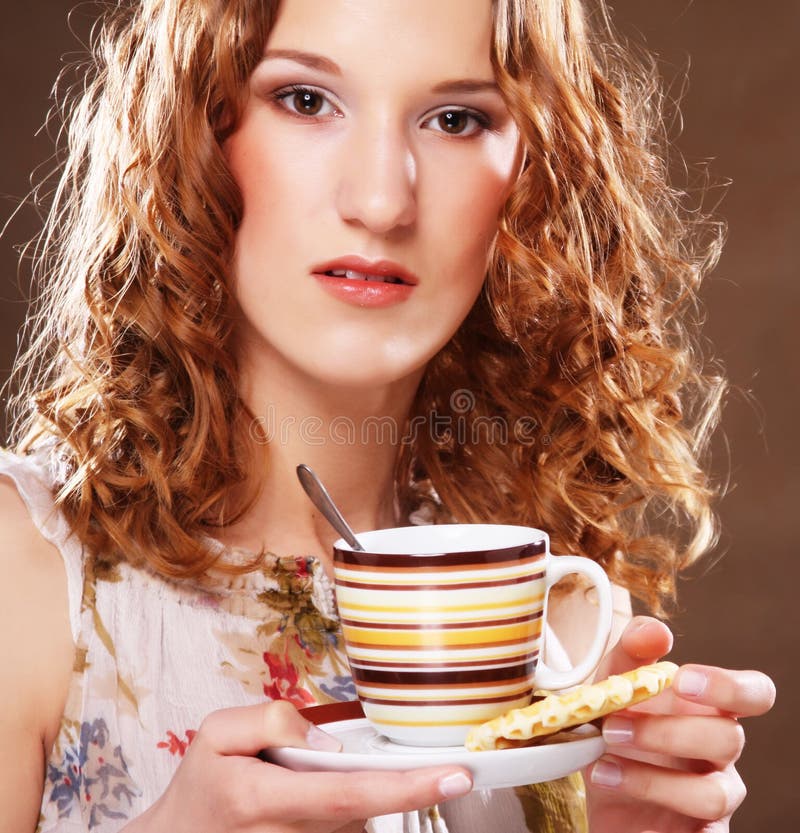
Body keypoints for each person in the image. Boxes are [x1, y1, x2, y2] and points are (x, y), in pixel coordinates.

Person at [0, 0, 776, 831]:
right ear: (192, 132)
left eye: (454, 118)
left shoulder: (551, 617)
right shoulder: (29, 570)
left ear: (536, 170)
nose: (381, 200)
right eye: (305, 100)